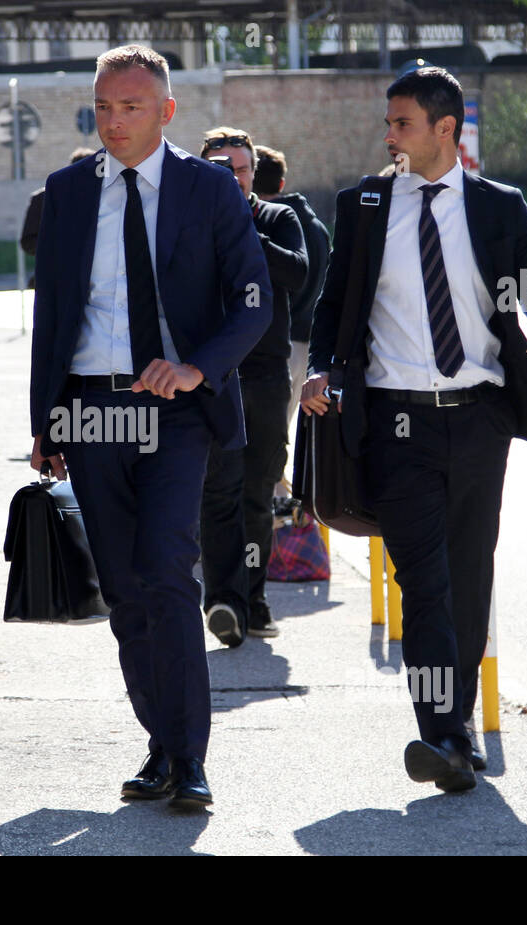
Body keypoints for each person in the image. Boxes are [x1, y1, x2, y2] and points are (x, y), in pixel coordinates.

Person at [300, 66, 527, 793]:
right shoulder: (364, 206)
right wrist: (323, 368)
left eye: (402, 124)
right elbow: (334, 304)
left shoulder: (496, 208)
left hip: (481, 416)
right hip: (395, 422)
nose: (388, 135)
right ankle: (444, 732)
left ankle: (453, 734)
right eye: (389, 123)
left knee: (466, 574)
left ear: (445, 129)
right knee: (421, 581)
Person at [29, 45, 271, 809]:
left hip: (174, 413)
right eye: (103, 107)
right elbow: (53, 315)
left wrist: (197, 366)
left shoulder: (207, 190)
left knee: (168, 572)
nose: (114, 121)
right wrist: (46, 420)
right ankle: (162, 743)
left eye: (130, 107)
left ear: (166, 111)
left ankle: (191, 759)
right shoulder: (68, 192)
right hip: (94, 409)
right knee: (127, 591)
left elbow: (254, 300)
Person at [198, 129, 307, 642]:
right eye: (221, 169)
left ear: (253, 173)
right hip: (204, 377)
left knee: (257, 495)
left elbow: (298, 275)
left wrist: (242, 224)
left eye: (239, 169)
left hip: (263, 378)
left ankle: (253, 598)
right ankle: (223, 599)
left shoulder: (276, 218)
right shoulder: (187, 218)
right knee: (213, 493)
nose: (232, 177)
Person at [252, 145, 330, 433]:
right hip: (308, 341)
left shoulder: (276, 224)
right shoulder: (317, 227)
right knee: (280, 432)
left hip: (279, 343)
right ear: (281, 182)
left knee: (269, 434)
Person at [19, 147, 97, 287]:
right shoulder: (44, 198)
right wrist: (61, 247)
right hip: (55, 278)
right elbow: (28, 241)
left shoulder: (103, 197)